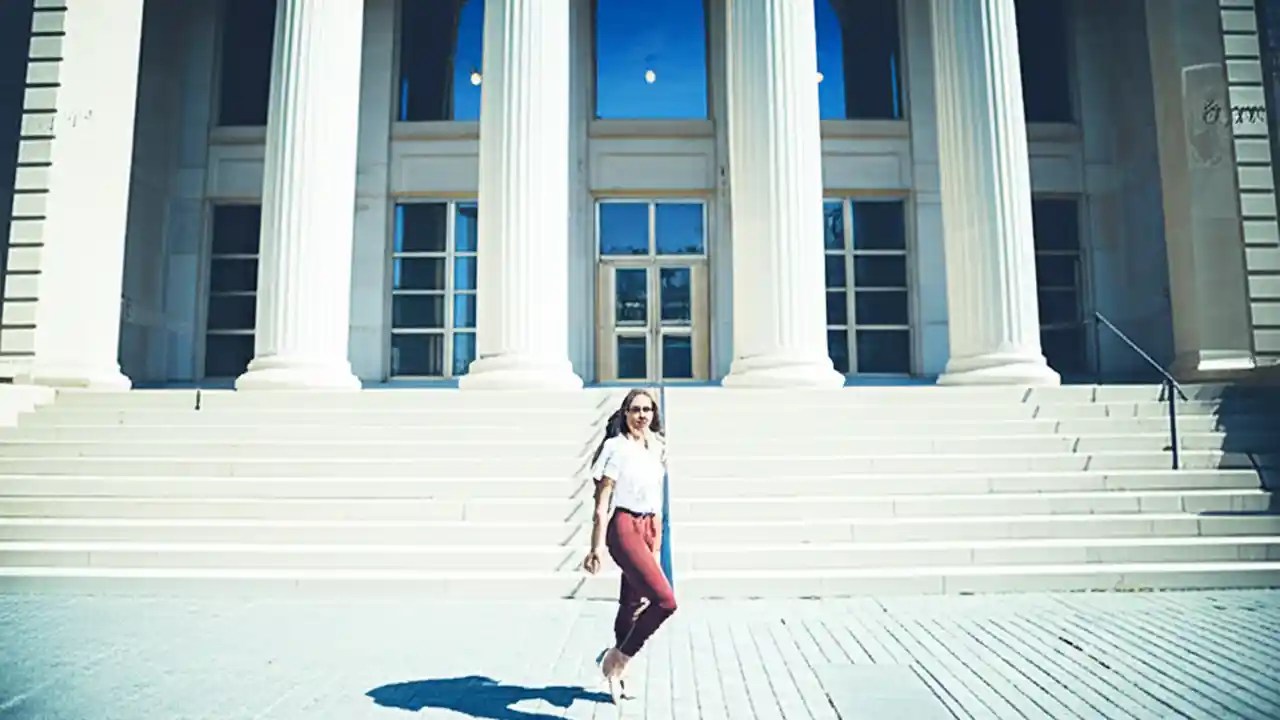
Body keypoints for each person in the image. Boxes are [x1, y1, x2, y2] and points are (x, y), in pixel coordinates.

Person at [581, 387, 677, 703]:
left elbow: (658, 503)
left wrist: (657, 546)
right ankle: (617, 658)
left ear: (654, 414)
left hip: (650, 526)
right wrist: (595, 547)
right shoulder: (615, 447)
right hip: (623, 527)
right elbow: (601, 504)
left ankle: (619, 672)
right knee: (665, 601)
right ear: (625, 413)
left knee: (631, 603)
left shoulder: (657, 448)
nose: (641, 416)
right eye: (635, 410)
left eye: (647, 410)